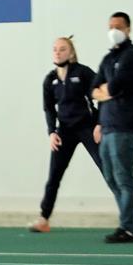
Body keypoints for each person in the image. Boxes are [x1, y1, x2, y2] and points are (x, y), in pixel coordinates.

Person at [33, 37, 99, 234]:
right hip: (65, 131)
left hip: (86, 128)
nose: (58, 52)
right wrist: (51, 132)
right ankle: (44, 218)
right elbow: (48, 109)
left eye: (62, 49)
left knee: (108, 169)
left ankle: (128, 218)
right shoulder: (50, 79)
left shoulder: (83, 72)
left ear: (71, 53)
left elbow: (99, 97)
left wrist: (99, 124)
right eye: (55, 49)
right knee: (54, 175)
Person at [93, 12, 133, 244]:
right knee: (110, 175)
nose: (114, 30)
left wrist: (106, 91)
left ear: (128, 29)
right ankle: (127, 220)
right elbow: (94, 90)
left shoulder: (132, 56)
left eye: (119, 26)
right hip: (108, 127)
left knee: (123, 177)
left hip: (125, 128)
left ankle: (129, 228)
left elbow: (114, 87)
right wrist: (103, 92)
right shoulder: (107, 59)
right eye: (110, 26)